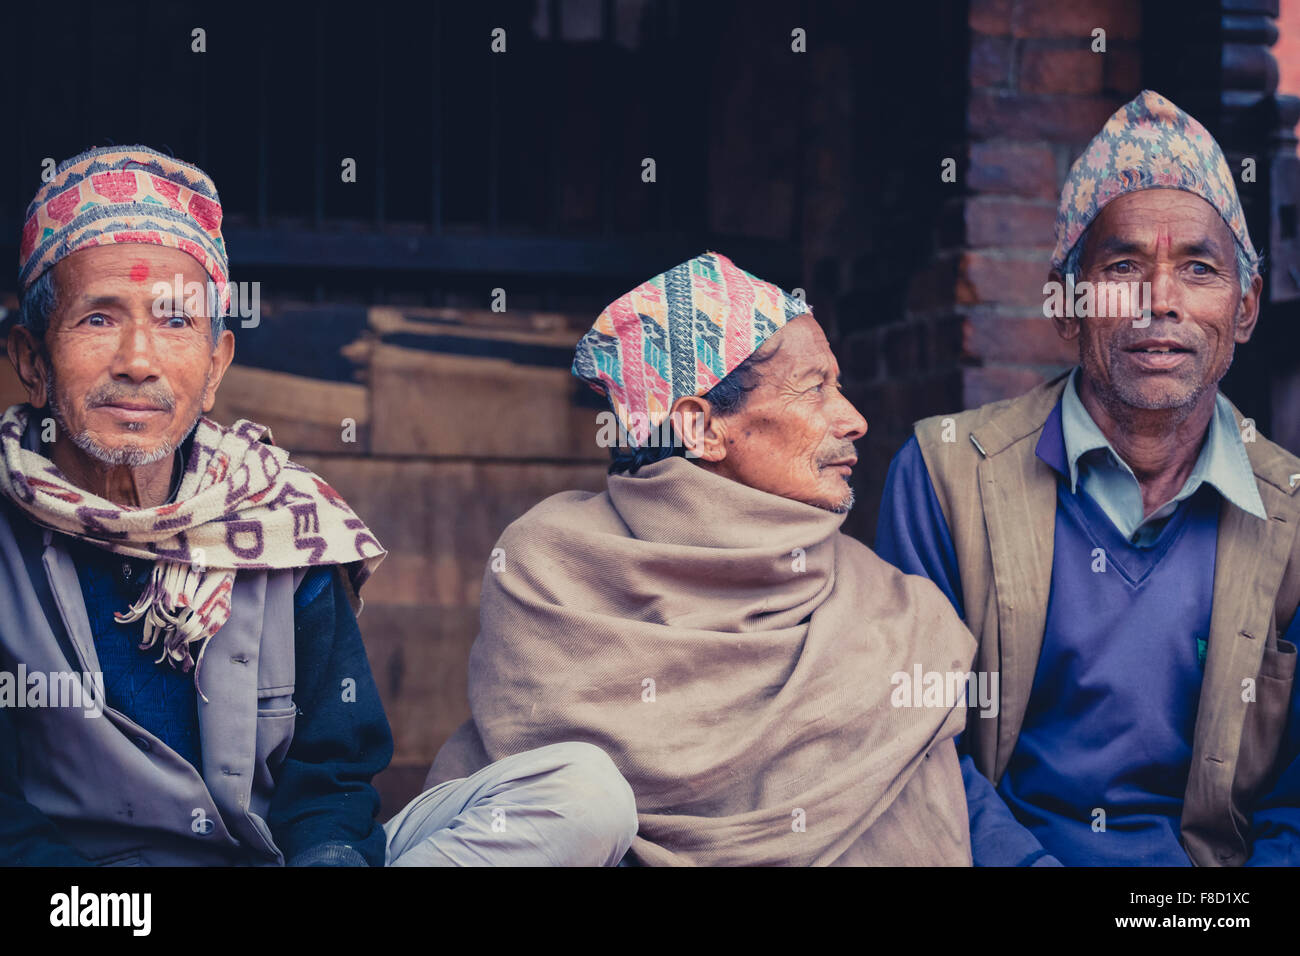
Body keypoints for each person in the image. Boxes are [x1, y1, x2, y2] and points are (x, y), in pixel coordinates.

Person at [0, 145, 636, 867]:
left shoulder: (282, 523)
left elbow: (331, 781)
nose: (138, 360)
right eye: (98, 320)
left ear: (214, 367)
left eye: (176, 322)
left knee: (584, 795)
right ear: (32, 360)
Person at [429, 251, 976, 865]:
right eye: (815, 387)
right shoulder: (549, 565)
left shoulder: (887, 606)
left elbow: (946, 803)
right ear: (702, 429)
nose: (854, 418)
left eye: (840, 385)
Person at [876, 91, 1300, 866]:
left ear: (1243, 309)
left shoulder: (1295, 521)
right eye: (1123, 267)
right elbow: (916, 743)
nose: (1160, 301)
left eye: (1198, 268)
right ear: (1067, 308)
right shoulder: (942, 477)